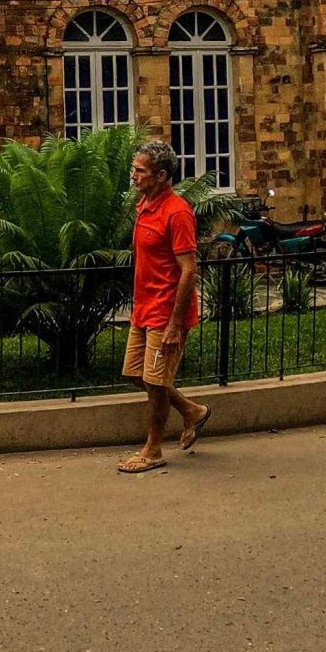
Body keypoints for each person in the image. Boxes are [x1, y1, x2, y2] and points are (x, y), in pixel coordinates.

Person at [119, 138, 210, 473]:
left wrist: (174, 325)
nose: (133, 176)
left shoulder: (177, 212)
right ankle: (191, 411)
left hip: (166, 314)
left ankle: (153, 450)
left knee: (156, 383)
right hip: (144, 310)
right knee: (134, 374)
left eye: (139, 171)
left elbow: (188, 270)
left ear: (160, 175)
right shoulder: (145, 206)